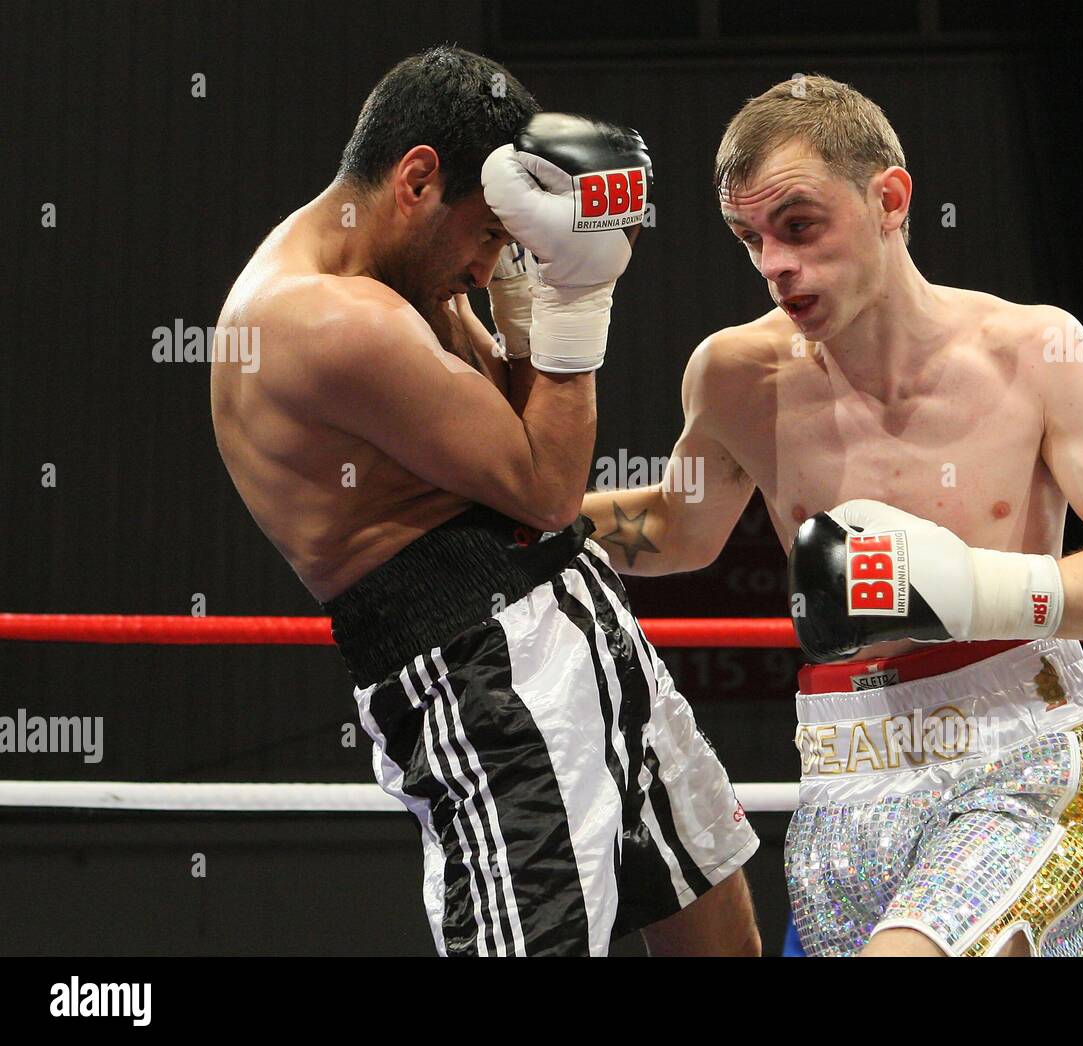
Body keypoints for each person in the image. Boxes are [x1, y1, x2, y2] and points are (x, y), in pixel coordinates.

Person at [581, 74, 1083, 957]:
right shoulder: (735, 377)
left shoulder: (1031, 352)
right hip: (842, 774)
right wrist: (508, 516)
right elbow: (675, 531)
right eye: (749, 238)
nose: (773, 264)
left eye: (798, 226)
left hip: (1021, 752)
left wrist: (963, 591)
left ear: (890, 199)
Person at [210, 45, 759, 957]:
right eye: (488, 235)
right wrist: (578, 293)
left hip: (581, 621)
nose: (484, 264)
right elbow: (546, 484)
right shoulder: (322, 319)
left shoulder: (400, 277)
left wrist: (518, 283)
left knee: (724, 940)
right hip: (482, 676)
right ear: (417, 178)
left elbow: (512, 414)